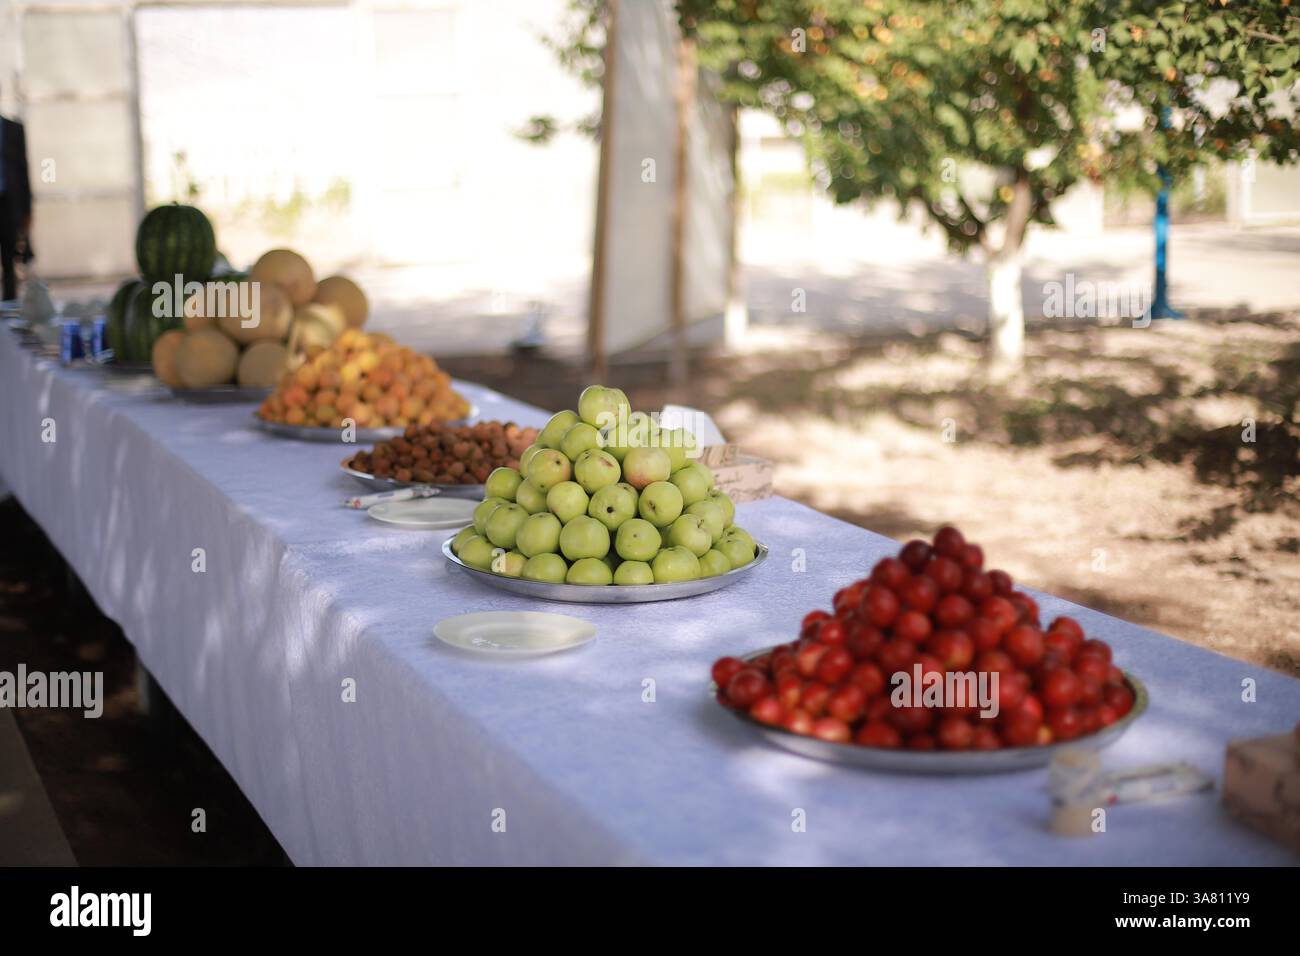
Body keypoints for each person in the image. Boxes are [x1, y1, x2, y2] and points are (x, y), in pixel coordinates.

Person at [0, 90, 33, 302]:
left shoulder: (13, 129)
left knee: (9, 257)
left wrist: (28, 209)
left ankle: (9, 304)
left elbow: (23, 169)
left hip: (7, 203)